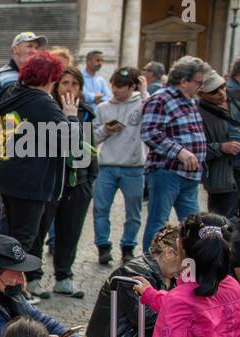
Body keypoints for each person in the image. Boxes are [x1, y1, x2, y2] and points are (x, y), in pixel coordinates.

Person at [0, 50, 77, 291]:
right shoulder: (42, 102)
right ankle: (10, 290)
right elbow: (69, 141)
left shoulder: (12, 94)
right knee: (22, 240)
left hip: (7, 174)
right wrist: (72, 118)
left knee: (7, 234)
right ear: (50, 78)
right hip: (31, 180)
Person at [86, 224, 181, 337]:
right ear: (169, 253)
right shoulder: (133, 273)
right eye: (184, 261)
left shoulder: (170, 274)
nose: (185, 267)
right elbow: (144, 319)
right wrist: (179, 312)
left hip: (136, 335)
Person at [140, 56, 207, 252]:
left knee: (193, 226)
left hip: (191, 175)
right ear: (184, 81)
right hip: (166, 172)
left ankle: (189, 270)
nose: (200, 87)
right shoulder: (161, 99)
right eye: (198, 82)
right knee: (158, 224)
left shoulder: (191, 101)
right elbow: (149, 132)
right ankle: (150, 267)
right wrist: (179, 151)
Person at [49, 66, 99, 298]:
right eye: (65, 83)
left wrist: (90, 179)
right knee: (41, 231)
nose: (69, 89)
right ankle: (33, 276)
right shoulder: (49, 110)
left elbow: (88, 148)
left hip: (78, 181)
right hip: (52, 180)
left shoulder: (87, 112)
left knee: (70, 231)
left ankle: (64, 275)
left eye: (74, 84)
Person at [93, 67, 148, 264]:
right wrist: (106, 130)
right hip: (106, 165)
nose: (116, 90)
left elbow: (152, 115)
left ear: (132, 86)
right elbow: (92, 138)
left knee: (133, 211)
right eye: (114, 85)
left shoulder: (142, 104)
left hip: (134, 167)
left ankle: (128, 246)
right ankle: (102, 246)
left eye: (121, 86)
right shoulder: (103, 108)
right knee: (101, 209)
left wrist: (144, 91)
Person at [198, 68, 240, 218]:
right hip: (222, 179)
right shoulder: (198, 113)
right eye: (214, 91)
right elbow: (195, 150)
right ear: (201, 94)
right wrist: (222, 147)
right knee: (221, 224)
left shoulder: (235, 101)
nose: (222, 93)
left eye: (223, 87)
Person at [0, 30, 46, 122]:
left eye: (36, 47)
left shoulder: (39, 77)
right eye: (29, 46)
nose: (34, 51)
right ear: (15, 49)